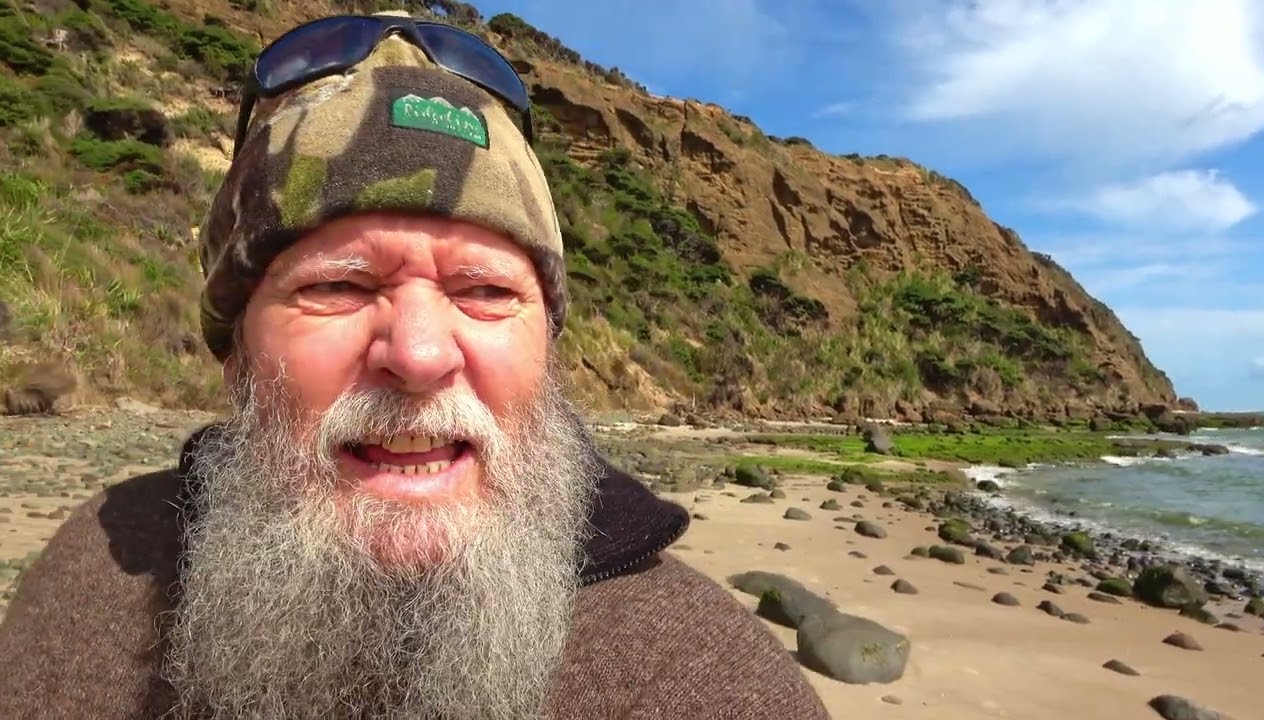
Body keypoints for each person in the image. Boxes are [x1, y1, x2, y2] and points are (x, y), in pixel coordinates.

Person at [0, 11, 830, 720]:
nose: (421, 355)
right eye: (339, 285)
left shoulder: (692, 678)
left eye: (485, 291)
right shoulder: (100, 572)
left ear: (547, 346)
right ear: (237, 349)